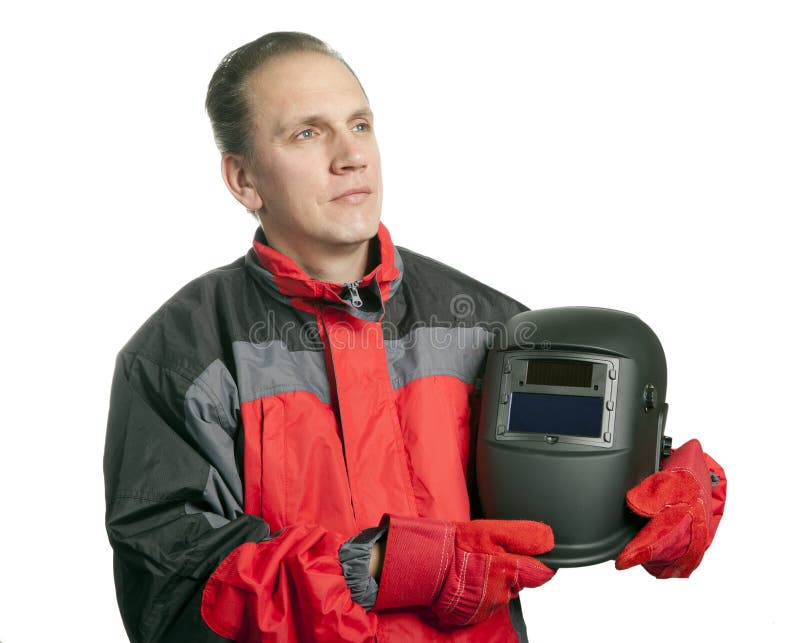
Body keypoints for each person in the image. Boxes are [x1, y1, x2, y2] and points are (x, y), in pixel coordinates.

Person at [104, 32, 727, 642]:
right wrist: (384, 566)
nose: (351, 156)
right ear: (243, 180)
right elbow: (175, 589)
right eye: (307, 132)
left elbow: (581, 465)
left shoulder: (490, 326)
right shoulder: (180, 358)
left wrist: (679, 488)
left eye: (360, 124)